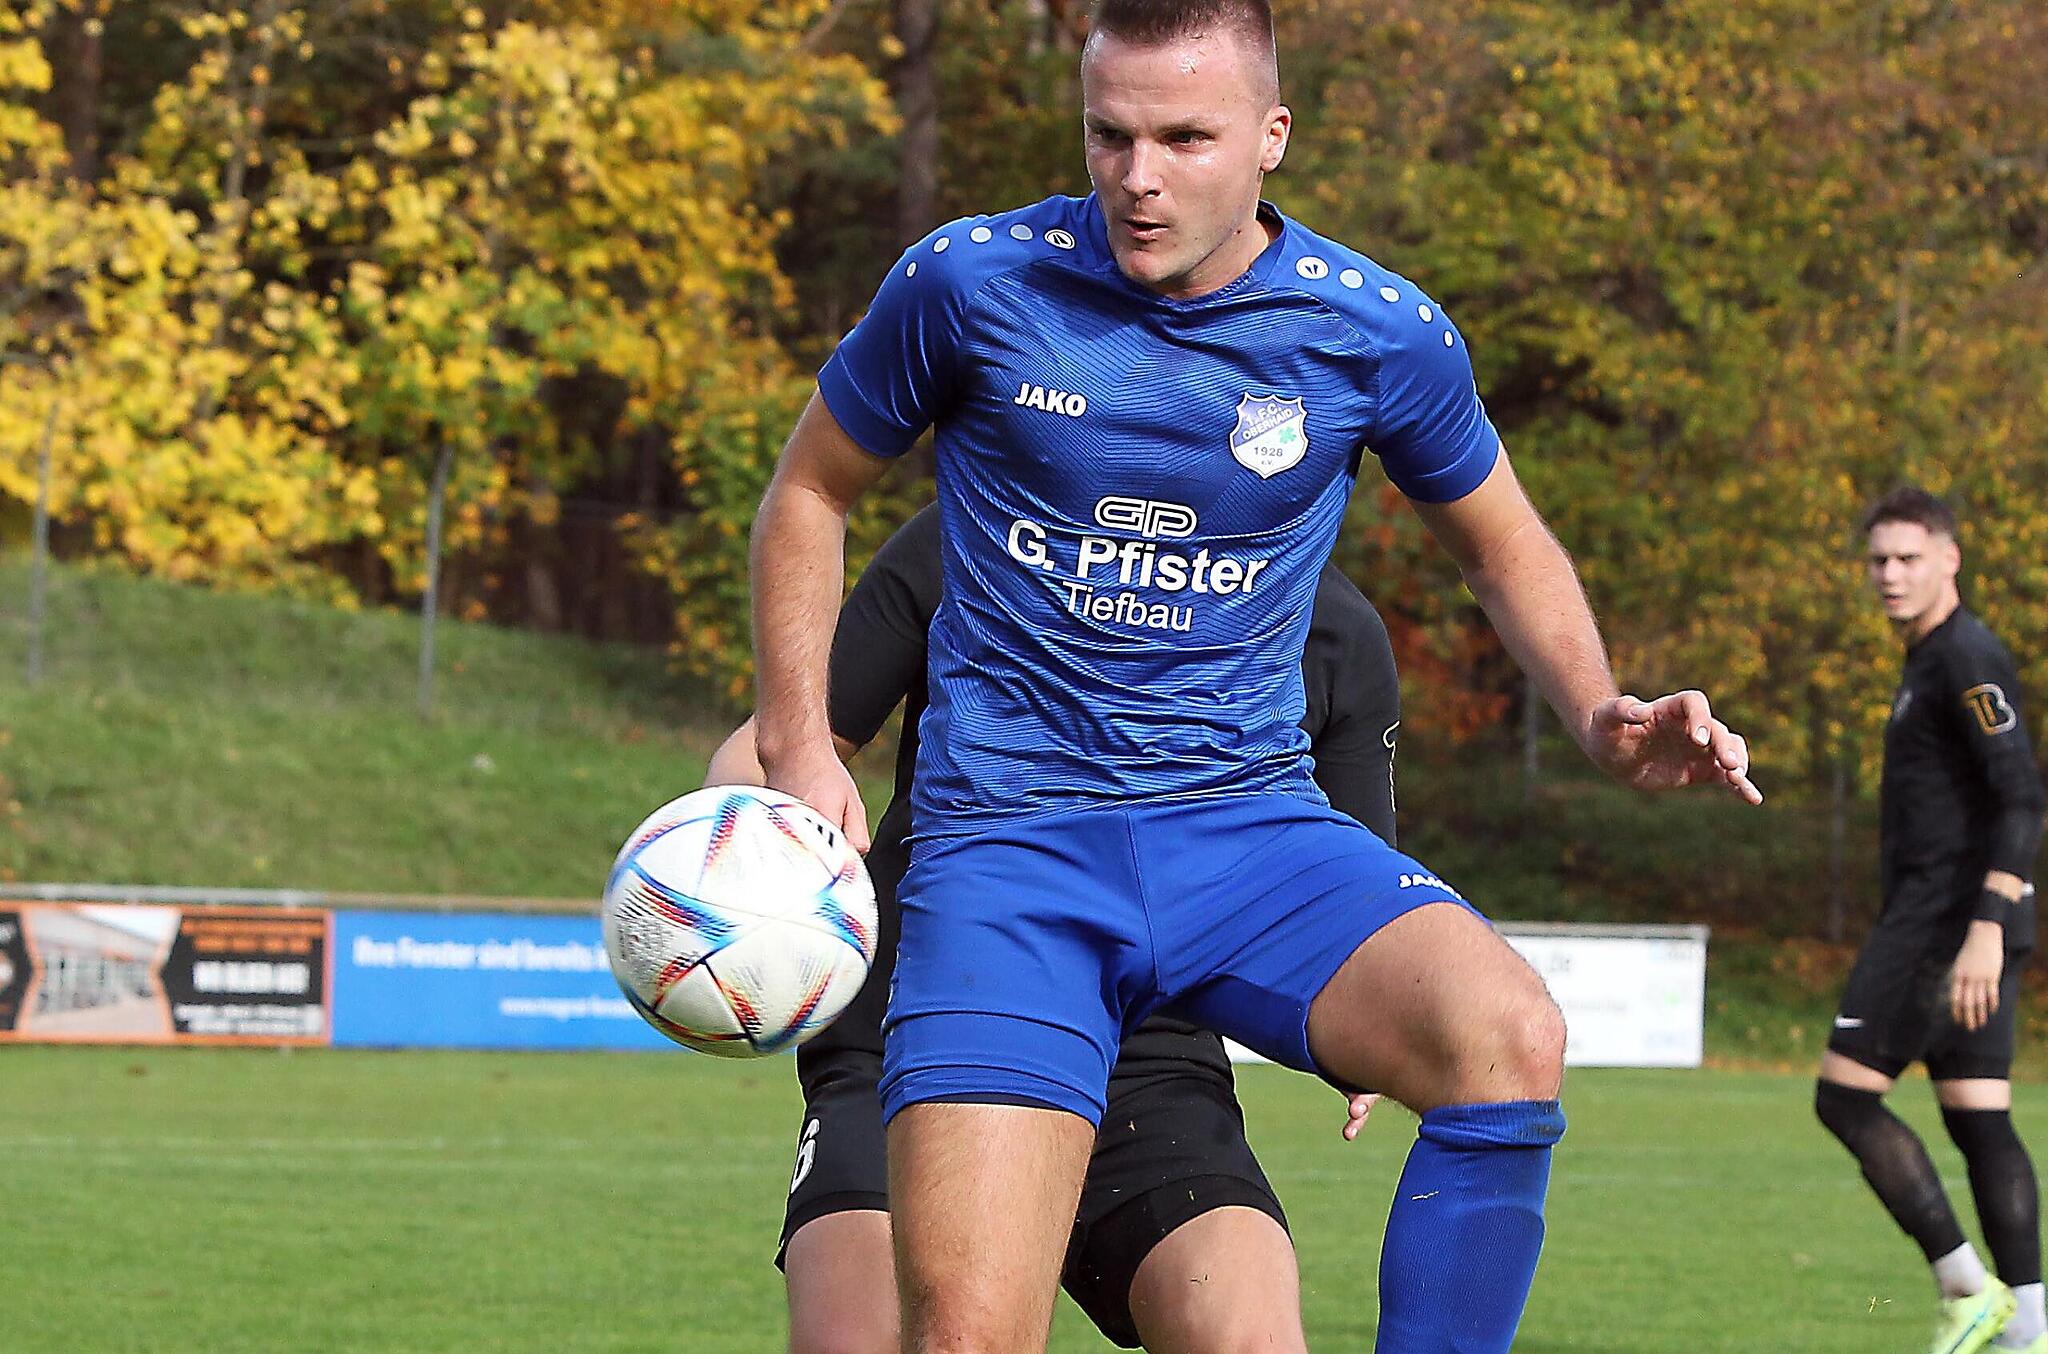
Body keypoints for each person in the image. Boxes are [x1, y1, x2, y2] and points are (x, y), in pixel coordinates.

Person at [747, 2, 1761, 1349]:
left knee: (1506, 1032)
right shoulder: (971, 284)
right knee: (968, 1333)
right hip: (1011, 855)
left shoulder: (1375, 331)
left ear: (1272, 136)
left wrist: (1599, 712)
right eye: (1109, 135)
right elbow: (809, 486)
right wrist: (798, 739)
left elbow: (1502, 542)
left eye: (1184, 137)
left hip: (1245, 832)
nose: (1138, 176)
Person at [709, 502, 1401, 1353]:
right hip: (919, 1021)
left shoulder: (1334, 631)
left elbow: (1350, 889)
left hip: (1146, 1057)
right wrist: (738, 846)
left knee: (1249, 1334)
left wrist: (1366, 1035)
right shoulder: (967, 540)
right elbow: (765, 754)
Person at [1816, 487, 2046, 1354]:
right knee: (1978, 1116)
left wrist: (1987, 925)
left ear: (1950, 559)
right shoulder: (1926, 660)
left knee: (1843, 1098)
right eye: (1878, 559)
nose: (1890, 575)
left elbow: (2022, 796)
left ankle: (1964, 1286)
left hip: (1947, 921)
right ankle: (2030, 1326)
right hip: (1959, 921)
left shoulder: (1965, 657)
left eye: (1909, 558)